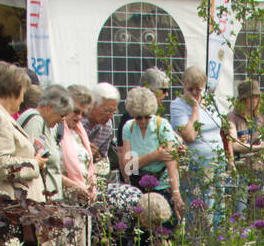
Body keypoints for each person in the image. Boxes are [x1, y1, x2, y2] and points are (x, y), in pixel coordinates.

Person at [117, 85, 184, 234]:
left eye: (147, 116)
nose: (143, 121)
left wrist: (176, 193)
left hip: (161, 184)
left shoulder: (162, 126)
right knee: (141, 232)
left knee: (164, 228)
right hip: (138, 183)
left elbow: (171, 162)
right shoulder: (129, 127)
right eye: (138, 117)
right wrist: (154, 155)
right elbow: (128, 166)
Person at [0, 61, 46, 204]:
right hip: (8, 202)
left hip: (12, 201)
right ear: (12, 90)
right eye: (22, 92)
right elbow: (2, 166)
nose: (22, 99)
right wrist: (34, 163)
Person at [170, 66, 229, 225]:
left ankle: (218, 238)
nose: (196, 93)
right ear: (184, 85)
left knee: (218, 205)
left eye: (199, 89)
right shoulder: (178, 105)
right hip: (197, 164)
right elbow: (189, 135)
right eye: (191, 89)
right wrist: (195, 108)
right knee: (201, 208)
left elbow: (223, 126)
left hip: (217, 161)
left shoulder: (211, 101)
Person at [18, 84, 72, 201]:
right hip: (37, 200)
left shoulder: (43, 123)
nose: (62, 120)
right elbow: (30, 162)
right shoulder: (35, 121)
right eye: (62, 115)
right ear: (50, 107)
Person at [61, 85, 97, 246]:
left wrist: (93, 185)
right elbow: (49, 169)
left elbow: (88, 165)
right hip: (63, 200)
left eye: (84, 113)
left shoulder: (79, 131)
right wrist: (74, 186)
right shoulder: (56, 130)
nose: (80, 117)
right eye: (76, 111)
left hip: (82, 201)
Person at [226, 79, 264, 211]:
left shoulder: (260, 119)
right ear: (243, 99)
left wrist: (256, 147)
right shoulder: (232, 117)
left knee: (256, 209)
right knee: (240, 209)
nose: (255, 100)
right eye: (251, 97)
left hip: (257, 168)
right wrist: (256, 148)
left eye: (257, 97)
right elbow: (233, 144)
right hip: (241, 168)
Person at [83, 83, 120, 186]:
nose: (110, 116)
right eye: (107, 111)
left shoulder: (107, 126)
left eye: (113, 112)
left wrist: (97, 155)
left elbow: (102, 158)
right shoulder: (76, 120)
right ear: (93, 104)